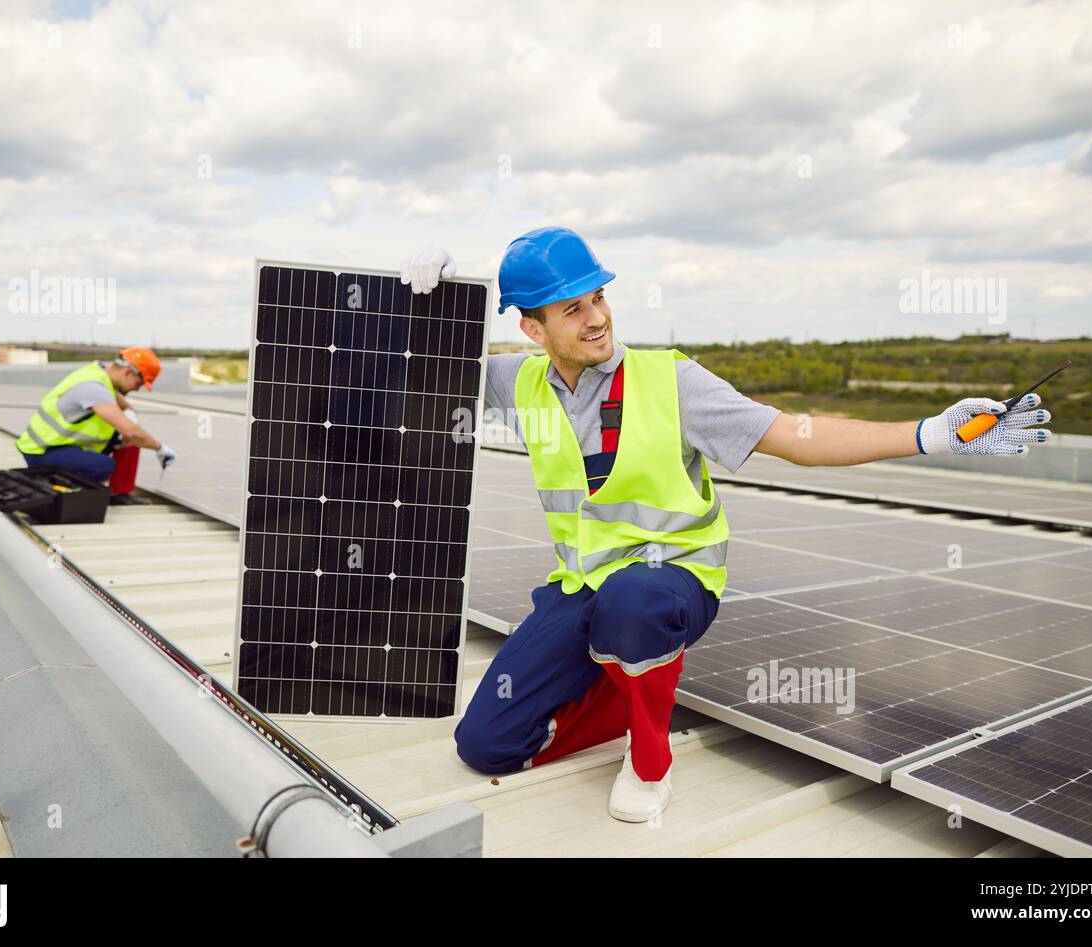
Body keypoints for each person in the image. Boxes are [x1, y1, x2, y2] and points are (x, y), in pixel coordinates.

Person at [399, 228, 1053, 823]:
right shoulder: (519, 384)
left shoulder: (669, 380)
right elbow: (424, 372)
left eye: (598, 296)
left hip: (673, 578)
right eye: (572, 308)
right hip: (581, 584)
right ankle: (618, 681)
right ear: (534, 329)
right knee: (485, 744)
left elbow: (798, 436)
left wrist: (930, 433)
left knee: (634, 600)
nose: (597, 316)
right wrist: (434, 306)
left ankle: (650, 760)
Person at [15, 347, 177, 504]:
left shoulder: (101, 375)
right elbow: (131, 431)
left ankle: (119, 494)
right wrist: (159, 447)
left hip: (59, 445)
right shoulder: (93, 387)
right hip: (41, 452)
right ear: (127, 372)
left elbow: (119, 403)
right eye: (138, 383)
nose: (137, 389)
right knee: (103, 465)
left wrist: (129, 411)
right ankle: (48, 485)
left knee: (131, 435)